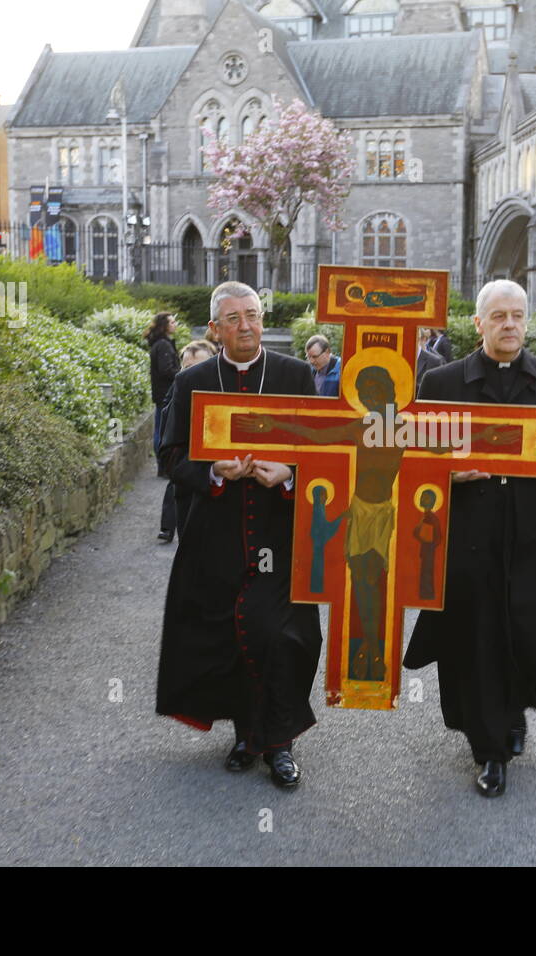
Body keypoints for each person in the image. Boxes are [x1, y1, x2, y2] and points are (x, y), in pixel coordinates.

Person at [403, 279, 536, 798]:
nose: (509, 324)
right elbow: (415, 457)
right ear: (479, 323)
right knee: (477, 641)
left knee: (526, 634)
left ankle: (513, 716)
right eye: (498, 317)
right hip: (470, 538)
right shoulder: (444, 381)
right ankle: (488, 751)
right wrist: (448, 474)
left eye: (517, 316)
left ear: (526, 321)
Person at [155, 281, 322, 789]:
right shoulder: (193, 382)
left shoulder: (294, 374)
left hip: (280, 531)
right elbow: (169, 456)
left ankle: (280, 743)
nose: (246, 325)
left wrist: (289, 472)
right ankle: (247, 736)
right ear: (215, 328)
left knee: (282, 636)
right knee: (230, 634)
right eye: (233, 318)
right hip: (218, 533)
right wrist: (212, 472)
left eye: (252, 314)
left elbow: (322, 449)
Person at [158, 340, 216, 544]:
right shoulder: (178, 390)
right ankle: (167, 527)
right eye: (186, 368)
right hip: (187, 477)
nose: (192, 373)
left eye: (198, 367)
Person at [147, 312, 181, 478]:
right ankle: (163, 466)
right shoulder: (163, 345)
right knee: (162, 430)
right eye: (172, 322)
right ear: (164, 325)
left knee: (161, 428)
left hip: (162, 393)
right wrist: (184, 374)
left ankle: (163, 465)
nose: (175, 324)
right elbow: (166, 370)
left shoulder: (161, 344)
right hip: (164, 394)